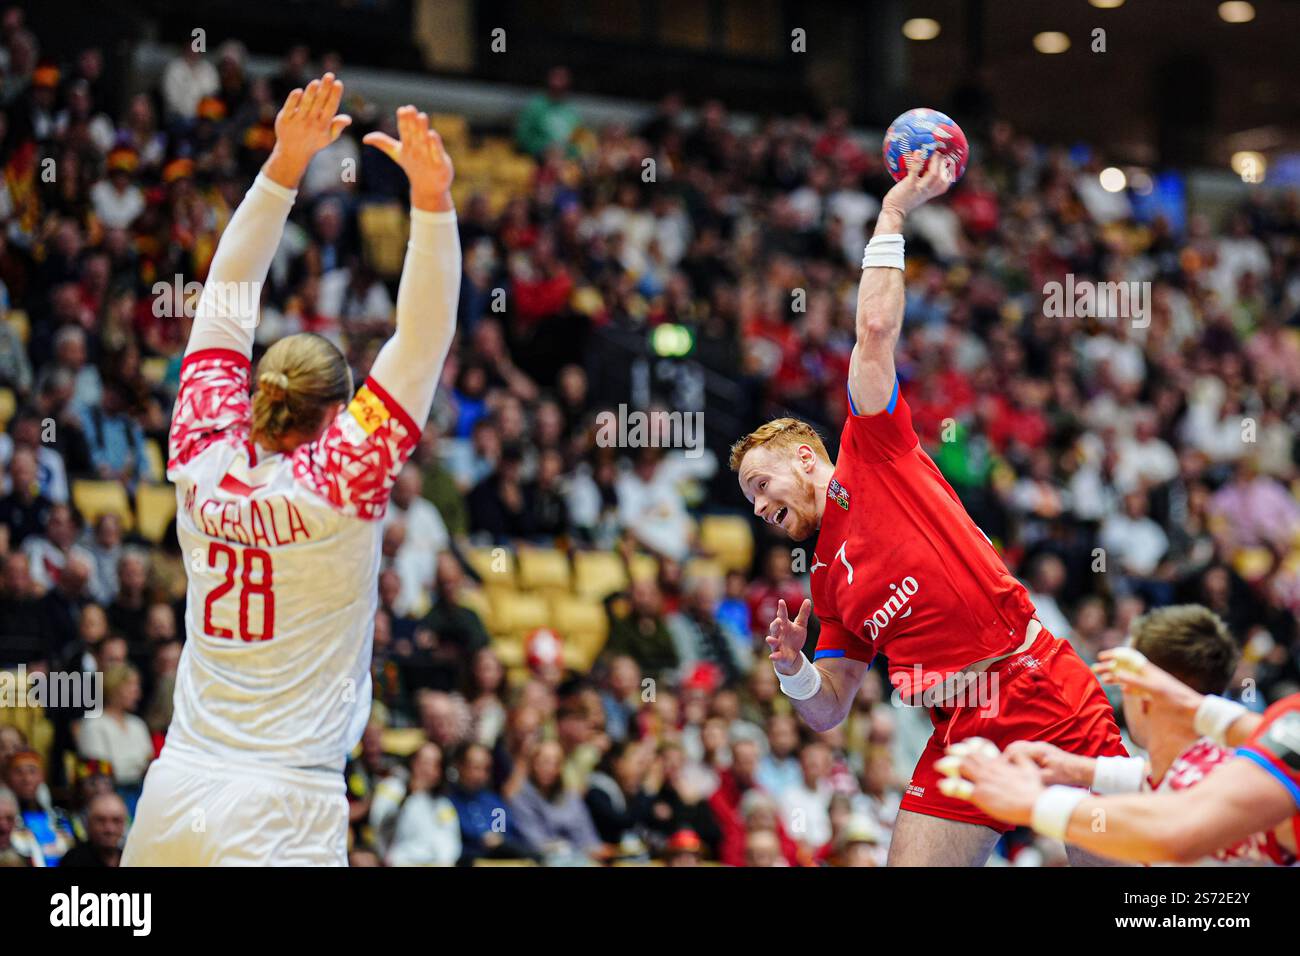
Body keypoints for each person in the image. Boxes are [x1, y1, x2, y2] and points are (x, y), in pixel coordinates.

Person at [729, 152, 1125, 867]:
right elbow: (830, 709)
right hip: (960, 732)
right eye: (749, 499)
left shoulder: (871, 450)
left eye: (761, 484)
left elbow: (875, 331)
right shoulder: (824, 583)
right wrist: (792, 668)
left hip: (1038, 690)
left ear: (805, 459)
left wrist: (892, 214)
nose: (758, 506)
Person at [122, 75, 462, 866]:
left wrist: (281, 167)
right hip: (284, 800)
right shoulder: (341, 477)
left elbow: (224, 301)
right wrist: (433, 203)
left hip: (178, 787)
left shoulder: (203, 449)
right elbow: (421, 341)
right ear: (336, 413)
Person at [997, 604, 1295, 865]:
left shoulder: (1210, 789)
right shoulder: (1217, 762)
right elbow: (1164, 779)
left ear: (1140, 691)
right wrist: (1076, 769)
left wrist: (1034, 803)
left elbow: (1173, 827)